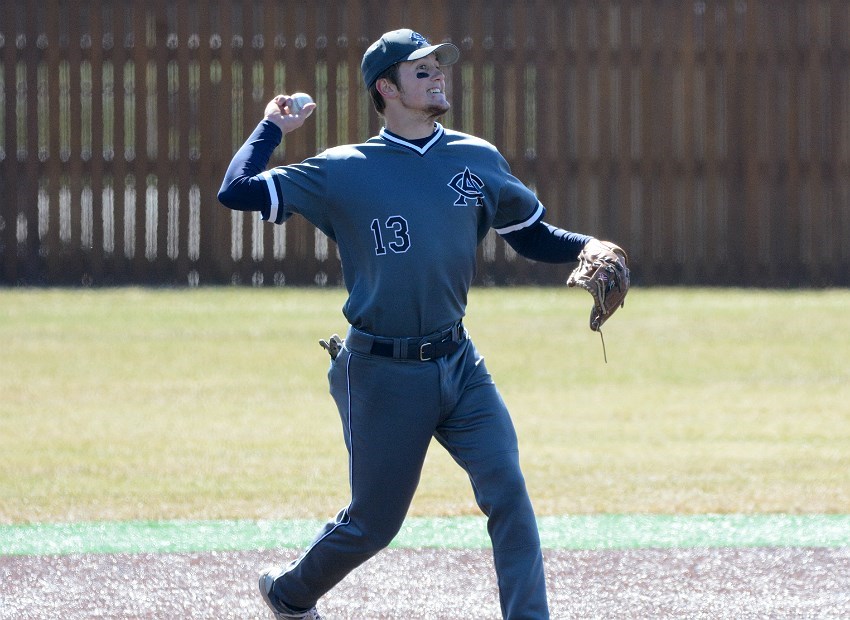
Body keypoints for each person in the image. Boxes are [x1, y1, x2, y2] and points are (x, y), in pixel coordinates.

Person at [219, 27, 620, 620]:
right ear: (387, 87)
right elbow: (237, 192)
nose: (438, 75)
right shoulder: (344, 170)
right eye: (421, 69)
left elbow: (529, 234)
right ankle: (289, 594)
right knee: (374, 525)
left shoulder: (476, 158)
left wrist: (590, 245)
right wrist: (272, 128)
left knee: (508, 492)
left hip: (460, 364)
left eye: (439, 66)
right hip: (383, 373)